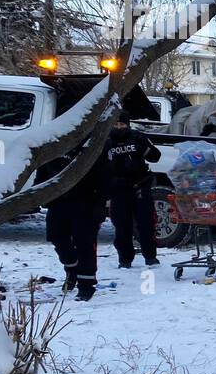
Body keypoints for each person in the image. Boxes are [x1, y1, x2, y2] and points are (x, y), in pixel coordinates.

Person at [42, 146, 109, 302]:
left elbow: (106, 178)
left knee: (84, 244)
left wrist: (101, 205)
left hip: (86, 204)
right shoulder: (54, 145)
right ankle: (72, 269)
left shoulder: (93, 145)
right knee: (57, 238)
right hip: (58, 203)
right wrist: (41, 197)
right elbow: (43, 173)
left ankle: (86, 286)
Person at [105, 109, 163, 269]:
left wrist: (142, 148)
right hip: (118, 189)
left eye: (122, 124)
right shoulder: (106, 140)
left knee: (146, 224)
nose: (119, 127)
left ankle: (150, 257)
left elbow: (156, 156)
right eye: (116, 124)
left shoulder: (138, 137)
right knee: (121, 227)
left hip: (140, 186)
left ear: (128, 124)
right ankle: (125, 259)